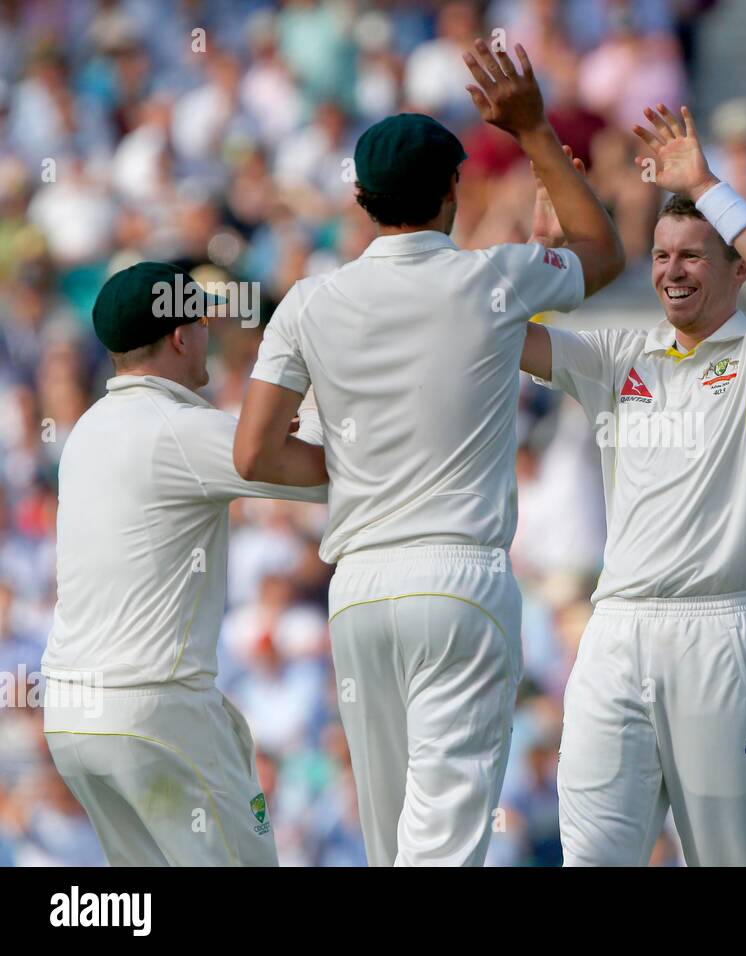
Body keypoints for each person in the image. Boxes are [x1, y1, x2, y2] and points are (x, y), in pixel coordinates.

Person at [232, 41, 624, 866]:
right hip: (459, 584)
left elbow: (254, 452)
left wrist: (353, 478)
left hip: (360, 592)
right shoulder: (493, 278)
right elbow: (605, 252)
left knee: (394, 847)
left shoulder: (308, 301)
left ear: (362, 198)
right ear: (455, 190)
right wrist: (535, 131)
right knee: (441, 848)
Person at [521, 103, 746, 865]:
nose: (670, 272)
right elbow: (498, 333)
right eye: (659, 255)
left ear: (735, 268)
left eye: (692, 255)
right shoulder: (621, 353)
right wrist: (538, 259)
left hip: (721, 632)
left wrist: (708, 184)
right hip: (616, 626)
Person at [42, 262, 327, 866]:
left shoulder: (89, 429)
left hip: (74, 717)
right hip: (152, 714)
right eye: (201, 323)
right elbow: (330, 477)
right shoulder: (182, 428)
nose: (209, 336)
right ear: (179, 336)